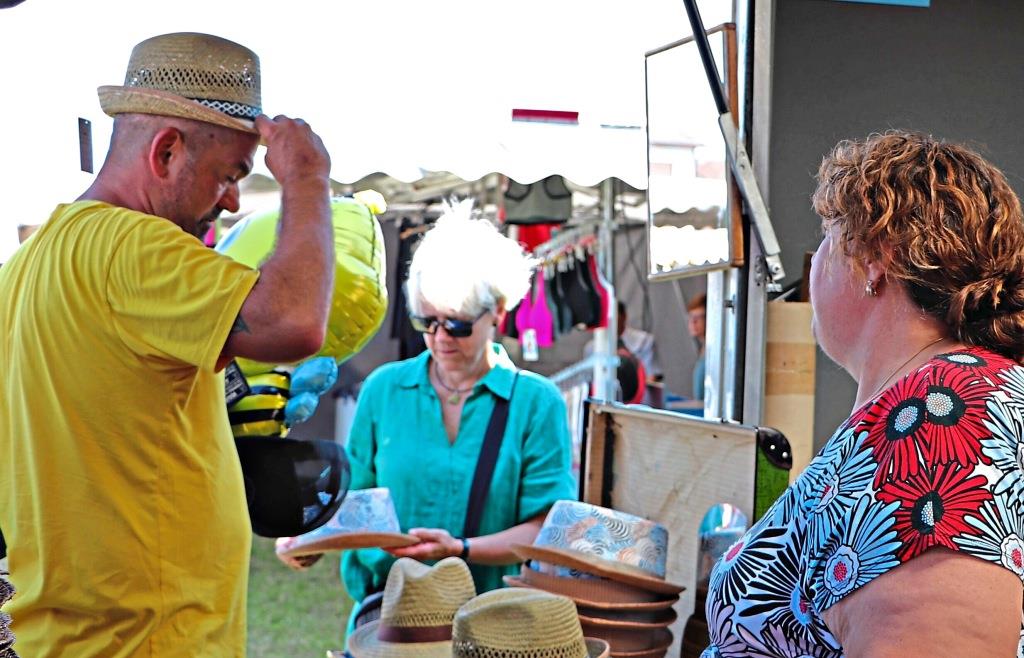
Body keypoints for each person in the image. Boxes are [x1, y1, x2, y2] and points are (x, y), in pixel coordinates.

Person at [0, 32, 334, 657]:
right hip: (145, 640)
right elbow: (294, 321)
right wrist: (309, 180)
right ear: (166, 151)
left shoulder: (26, 266)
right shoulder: (133, 246)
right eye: (229, 175)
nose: (233, 200)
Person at [703, 131, 1024, 657]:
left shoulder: (940, 422)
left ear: (875, 258)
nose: (815, 262)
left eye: (828, 236)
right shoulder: (939, 400)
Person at [277, 200, 577, 633]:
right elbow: (353, 504)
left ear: (498, 313)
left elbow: (545, 530)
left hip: (493, 629)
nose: (439, 338)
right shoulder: (384, 389)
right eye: (426, 321)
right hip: (392, 623)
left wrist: (461, 549)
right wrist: (308, 539)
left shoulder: (536, 403)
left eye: (456, 325)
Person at [584, 300, 663, 407]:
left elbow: (651, 376)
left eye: (613, 317)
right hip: (603, 405)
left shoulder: (644, 341)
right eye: (604, 318)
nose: (609, 321)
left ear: (624, 316)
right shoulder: (592, 348)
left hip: (640, 406)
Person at [687, 293, 707, 401]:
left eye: (699, 317)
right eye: (691, 317)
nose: (693, 322)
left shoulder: (716, 353)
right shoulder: (703, 350)